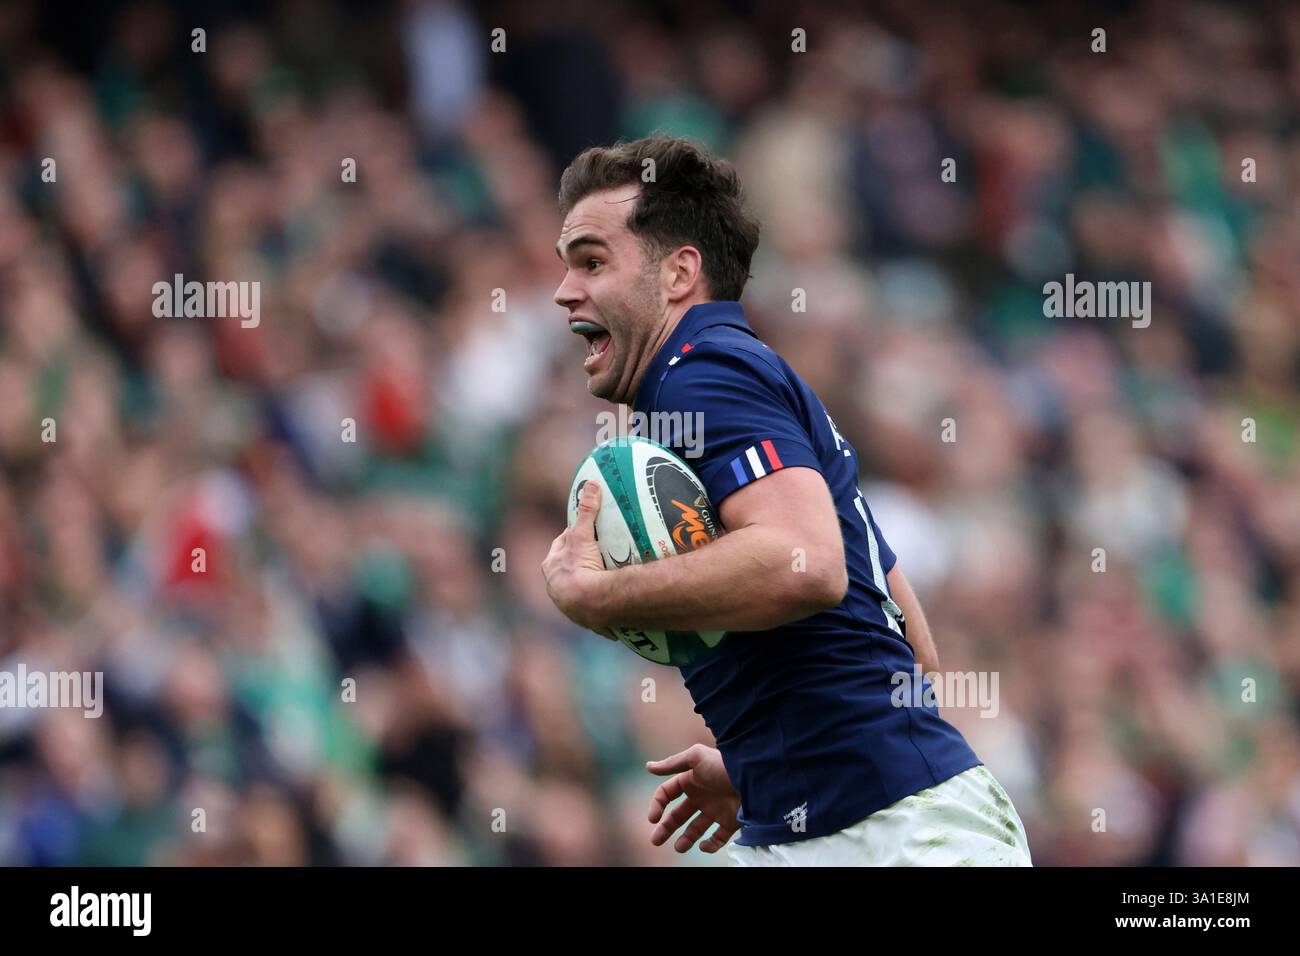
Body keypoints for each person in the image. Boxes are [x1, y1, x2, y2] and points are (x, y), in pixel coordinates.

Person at [541, 134, 1031, 866]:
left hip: (891, 838)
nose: (564, 290)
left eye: (592, 261)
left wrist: (599, 597)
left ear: (678, 273)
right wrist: (763, 766)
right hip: (859, 823)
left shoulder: (699, 375)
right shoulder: (737, 377)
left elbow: (806, 569)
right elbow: (911, 650)